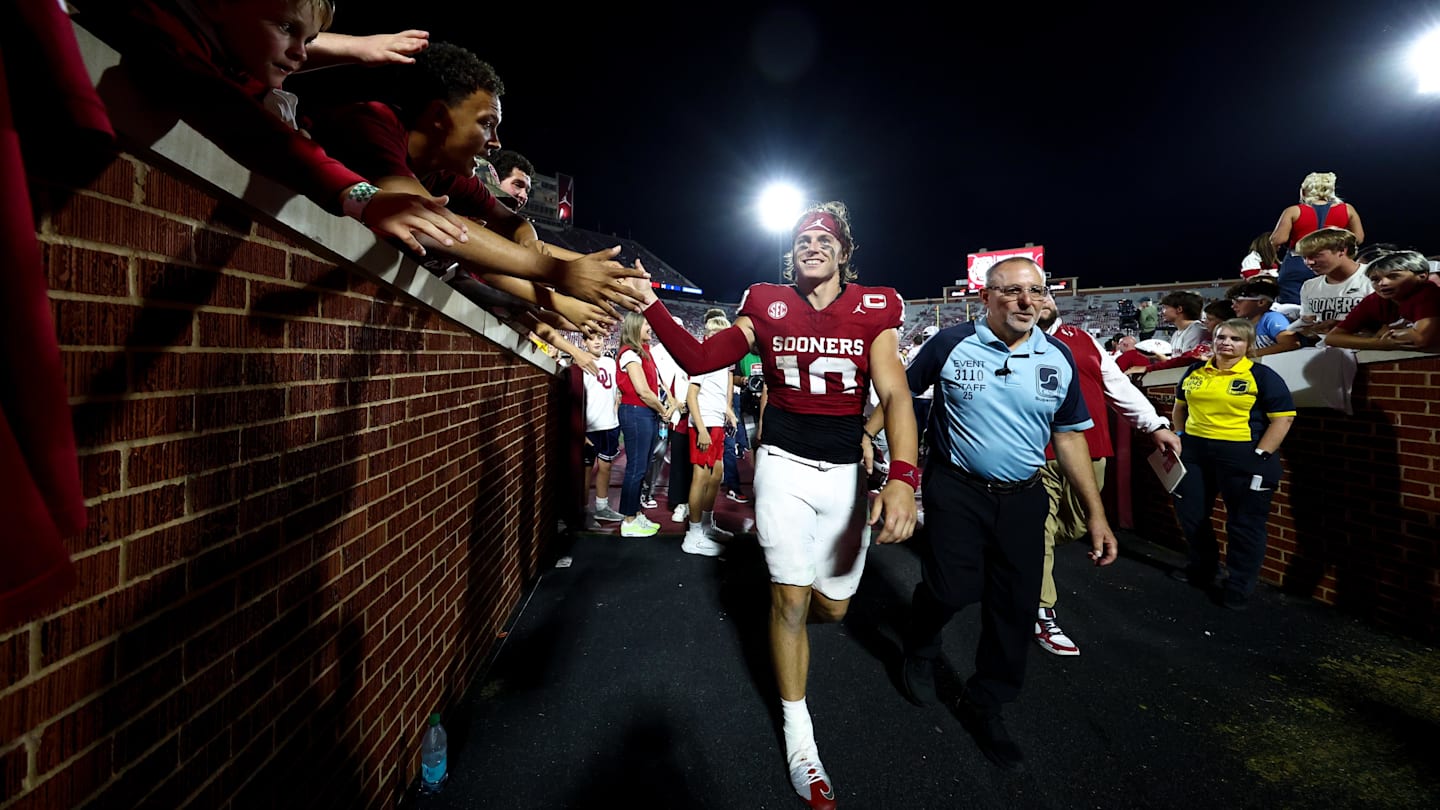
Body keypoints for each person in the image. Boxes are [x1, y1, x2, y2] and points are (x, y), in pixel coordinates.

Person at [632, 202, 919, 810]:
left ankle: (782, 611)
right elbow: (702, 359)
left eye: (824, 238)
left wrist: (903, 477)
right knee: (790, 598)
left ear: (845, 252)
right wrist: (651, 304)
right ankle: (799, 735)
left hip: (844, 474)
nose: (811, 245)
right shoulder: (764, 300)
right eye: (801, 239)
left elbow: (894, 392)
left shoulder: (876, 307)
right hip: (783, 464)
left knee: (834, 609)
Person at [877, 257, 1117, 771]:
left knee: (1015, 606)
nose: (1024, 301)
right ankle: (920, 644)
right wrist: (865, 436)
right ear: (984, 297)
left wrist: (1096, 515)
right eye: (1010, 292)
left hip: (1026, 495)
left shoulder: (1058, 357)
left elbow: (1069, 434)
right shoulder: (948, 343)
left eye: (1034, 291)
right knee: (951, 589)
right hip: (957, 487)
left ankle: (987, 703)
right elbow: (899, 392)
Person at [75, 0, 473, 257]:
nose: (302, 52)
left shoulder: (227, 49)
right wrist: (363, 197)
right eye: (287, 29)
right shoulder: (161, 29)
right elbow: (242, 122)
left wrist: (354, 47)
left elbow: (254, 36)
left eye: (310, 39)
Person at [305, 42, 644, 320]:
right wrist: (558, 273)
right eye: (486, 123)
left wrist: (527, 246)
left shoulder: (448, 175)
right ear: (439, 117)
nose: (494, 141)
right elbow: (425, 219)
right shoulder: (372, 123)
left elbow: (514, 222)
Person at [1031, 292, 1181, 656]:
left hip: (1090, 449)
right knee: (1038, 531)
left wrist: (1155, 425)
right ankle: (1040, 608)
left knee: (1081, 523)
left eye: (1043, 292)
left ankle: (1017, 558)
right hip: (1033, 452)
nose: (1039, 300)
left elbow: (1118, 387)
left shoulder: (1083, 339)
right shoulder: (1006, 340)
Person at [1170, 319, 1296, 610]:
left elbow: (1283, 419)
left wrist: (1262, 454)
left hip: (1243, 456)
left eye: (1236, 339)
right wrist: (1180, 435)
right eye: (1221, 337)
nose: (1227, 343)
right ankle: (1202, 568)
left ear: (1248, 345)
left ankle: (1238, 584)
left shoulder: (1262, 376)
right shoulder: (1194, 370)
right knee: (1191, 515)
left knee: (1244, 524)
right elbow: (1180, 406)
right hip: (1195, 454)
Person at [681, 314, 740, 556]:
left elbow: (715, 392)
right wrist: (702, 429)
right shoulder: (703, 357)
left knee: (716, 475)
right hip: (703, 424)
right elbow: (691, 397)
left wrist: (728, 411)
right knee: (701, 477)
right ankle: (693, 535)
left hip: (716, 421)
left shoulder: (721, 361)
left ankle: (706, 526)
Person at [615, 311, 674, 538]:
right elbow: (642, 390)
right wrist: (663, 410)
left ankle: (635, 513)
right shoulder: (629, 353)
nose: (650, 327)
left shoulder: (642, 352)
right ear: (635, 328)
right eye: (646, 324)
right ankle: (628, 520)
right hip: (636, 412)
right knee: (637, 468)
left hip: (644, 413)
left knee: (642, 467)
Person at [1269, 226, 1372, 353]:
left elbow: (1391, 322)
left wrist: (1341, 324)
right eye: (1304, 257)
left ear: (1341, 250)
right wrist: (1309, 329)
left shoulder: (1373, 277)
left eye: (1316, 255)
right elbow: (1307, 322)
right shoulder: (1310, 286)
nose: (1309, 262)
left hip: (1370, 352)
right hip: (1327, 352)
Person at [1271, 171, 1365, 308]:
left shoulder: (1294, 211)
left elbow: (1277, 239)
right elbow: (1358, 238)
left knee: (1293, 309)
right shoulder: (1347, 209)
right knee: (1332, 306)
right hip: (1333, 264)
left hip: (1298, 263)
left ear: (1304, 191)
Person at [1323, 251, 1440, 353]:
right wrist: (1378, 343)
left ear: (1422, 276)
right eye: (1375, 279)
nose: (1382, 283)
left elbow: (1420, 339)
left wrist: (1381, 335)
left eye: (1393, 276)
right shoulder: (1374, 299)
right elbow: (1332, 338)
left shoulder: (1429, 293)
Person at [580, 332, 625, 528]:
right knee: (586, 470)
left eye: (600, 337)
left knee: (606, 467)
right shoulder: (580, 364)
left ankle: (602, 506)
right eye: (592, 337)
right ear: (584, 342)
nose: (597, 341)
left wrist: (615, 408)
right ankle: (582, 510)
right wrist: (580, 430)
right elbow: (577, 399)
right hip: (590, 427)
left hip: (610, 425)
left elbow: (617, 391)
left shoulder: (610, 363)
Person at [1228, 277, 1291, 354]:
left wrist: (1248, 355)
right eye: (1233, 302)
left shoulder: (1272, 318)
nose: (1233, 306)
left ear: (1261, 302)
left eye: (1239, 301)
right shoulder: (1247, 324)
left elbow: (1290, 343)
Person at [1159, 291, 1207, 355]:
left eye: (1166, 308)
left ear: (1179, 309)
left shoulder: (1197, 330)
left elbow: (1188, 361)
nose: (1162, 312)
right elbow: (1176, 360)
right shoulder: (1176, 333)